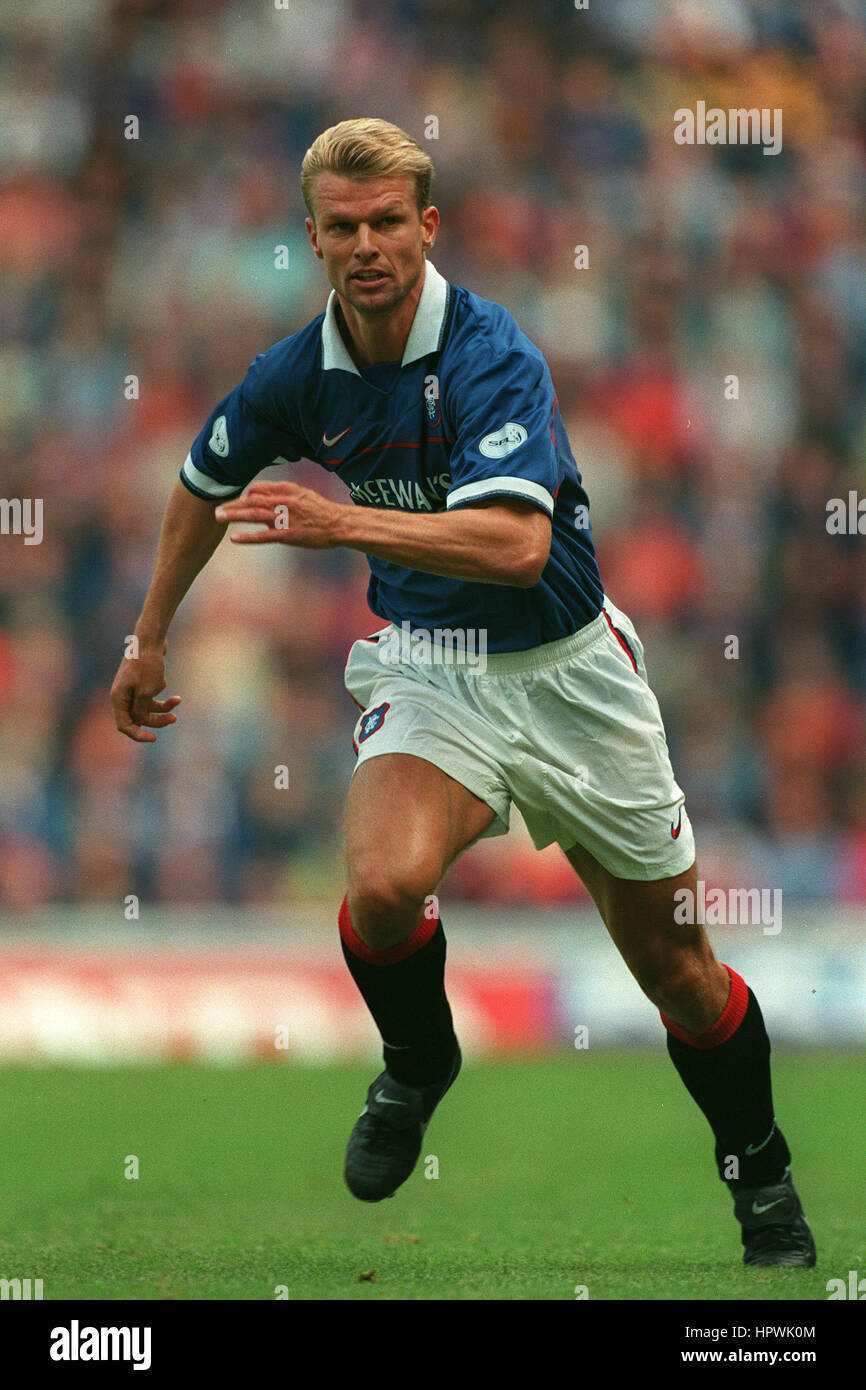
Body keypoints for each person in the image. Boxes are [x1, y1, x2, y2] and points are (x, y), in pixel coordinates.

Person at [111, 118, 814, 1268]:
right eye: (342, 227)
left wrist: (338, 521)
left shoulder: (490, 351)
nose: (367, 244)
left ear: (426, 226)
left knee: (679, 975)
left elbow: (515, 549)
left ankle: (764, 1183)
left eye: (389, 221)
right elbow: (202, 481)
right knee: (384, 884)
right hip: (431, 667)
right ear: (313, 239)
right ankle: (419, 1059)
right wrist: (148, 637)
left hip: (572, 673)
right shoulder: (294, 374)